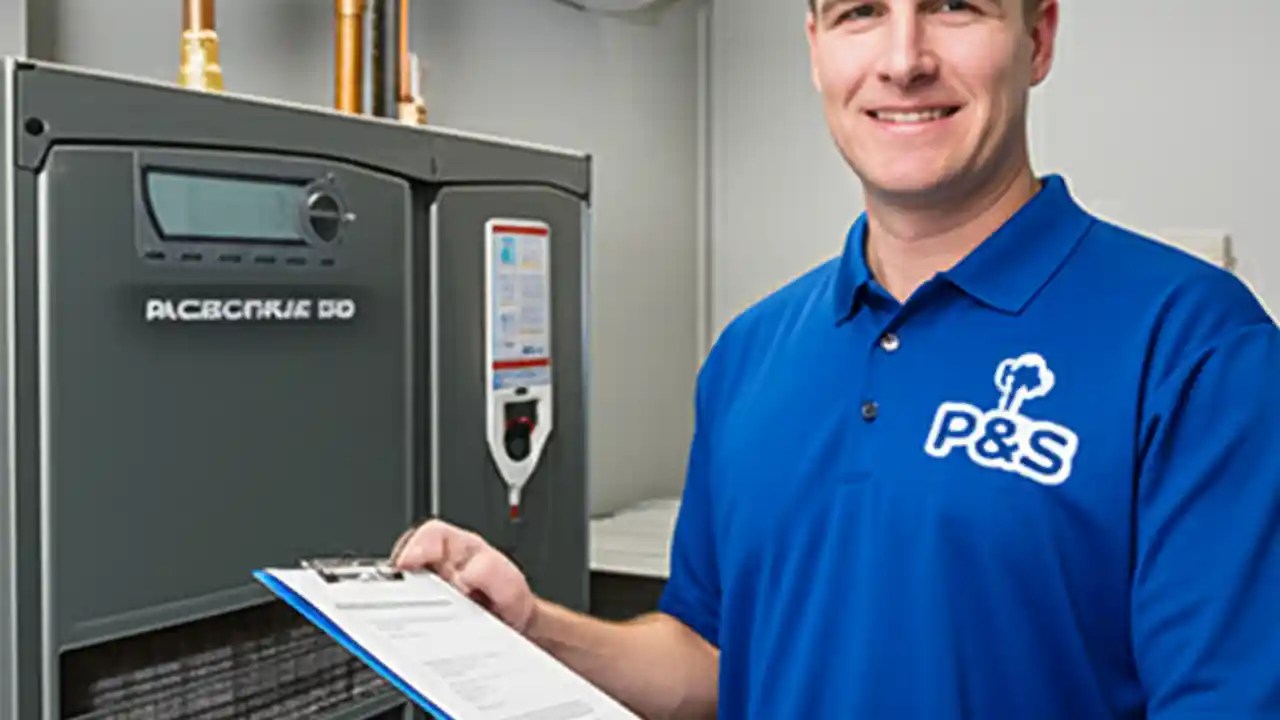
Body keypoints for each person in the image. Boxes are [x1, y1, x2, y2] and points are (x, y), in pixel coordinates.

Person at [392, 0, 1280, 716]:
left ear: (1038, 37)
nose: (903, 59)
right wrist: (530, 627)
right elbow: (711, 657)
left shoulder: (1195, 346)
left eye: (954, 8)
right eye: (861, 13)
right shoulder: (749, 354)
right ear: (817, 48)